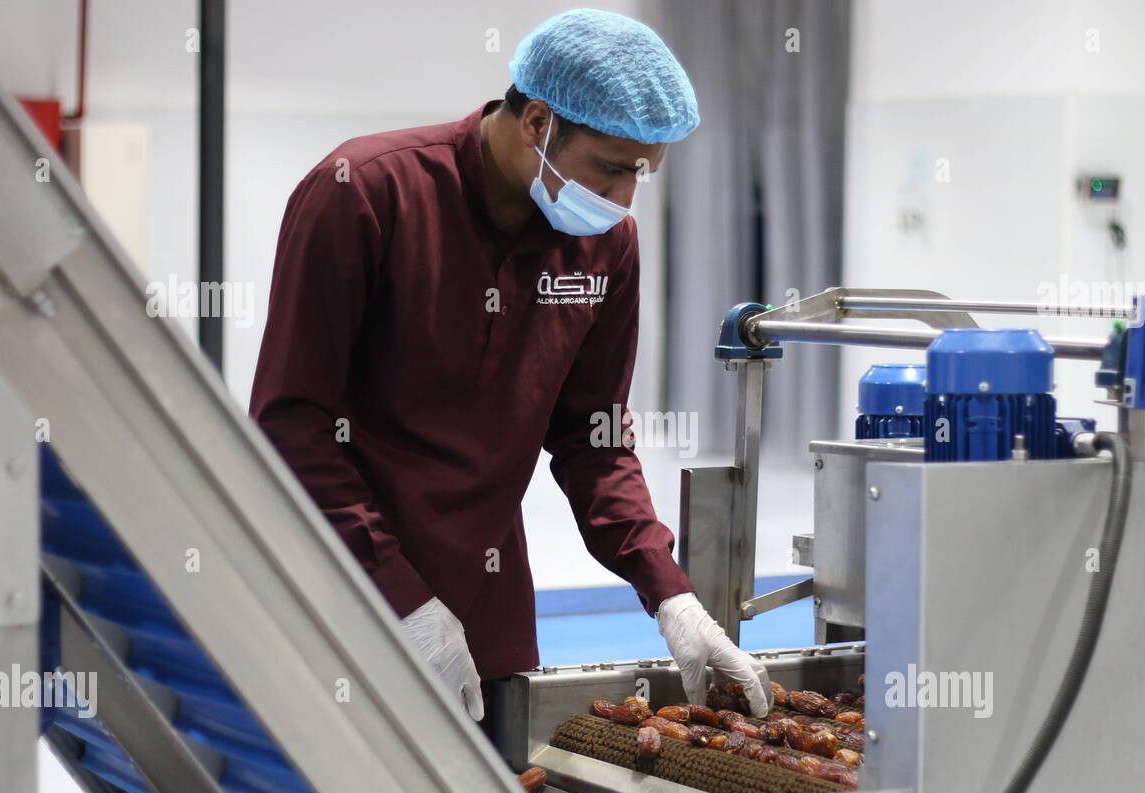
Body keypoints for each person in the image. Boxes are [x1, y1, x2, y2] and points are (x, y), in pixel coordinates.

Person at [249, 9, 771, 732]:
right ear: (536, 122)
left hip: (486, 611)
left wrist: (669, 590)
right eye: (613, 169)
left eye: (644, 174)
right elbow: (290, 425)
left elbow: (593, 439)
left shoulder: (606, 249)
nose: (624, 200)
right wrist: (401, 599)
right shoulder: (364, 193)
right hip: (340, 589)